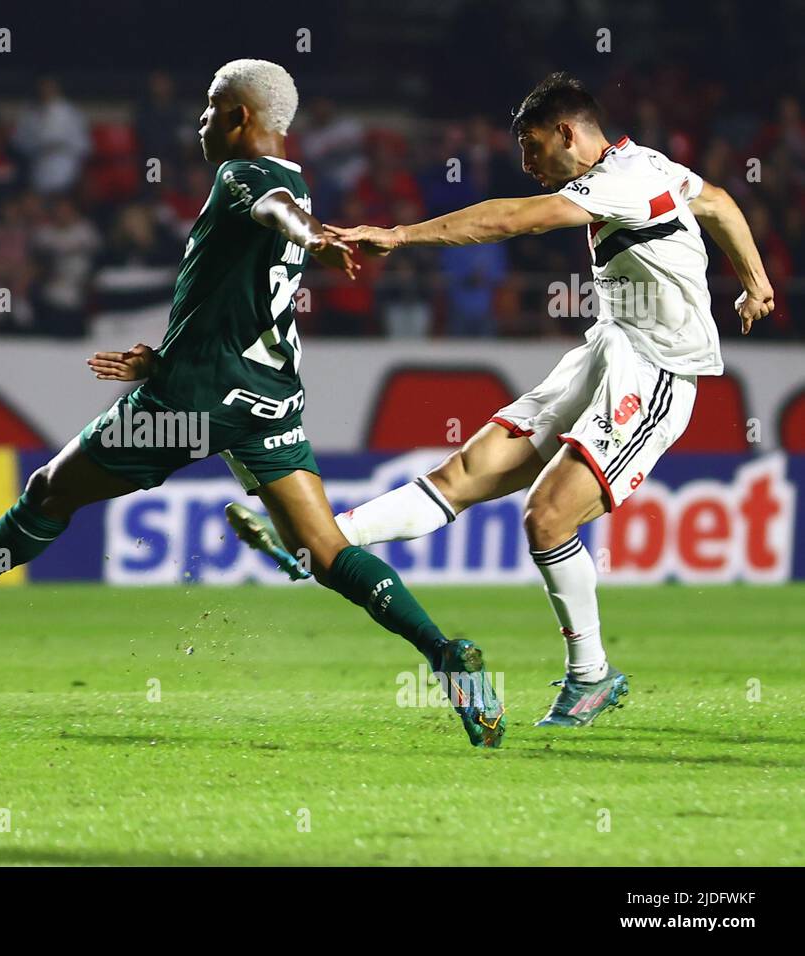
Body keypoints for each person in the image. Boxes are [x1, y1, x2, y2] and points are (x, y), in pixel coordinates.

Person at [0, 59, 505, 748]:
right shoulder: (289, 181)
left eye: (209, 108)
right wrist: (166, 354)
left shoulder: (248, 176)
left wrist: (314, 237)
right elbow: (244, 292)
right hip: (266, 399)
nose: (201, 122)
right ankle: (445, 656)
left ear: (240, 118)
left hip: (196, 400)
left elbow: (274, 212)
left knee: (51, 489)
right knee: (324, 550)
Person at [234, 73, 775, 728]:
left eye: (531, 146)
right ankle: (313, 541)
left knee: (547, 520)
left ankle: (592, 675)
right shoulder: (648, 167)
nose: (527, 163)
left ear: (566, 133)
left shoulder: (620, 180)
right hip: (607, 352)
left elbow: (514, 218)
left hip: (656, 371)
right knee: (460, 476)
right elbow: (715, 200)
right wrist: (756, 283)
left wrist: (402, 236)